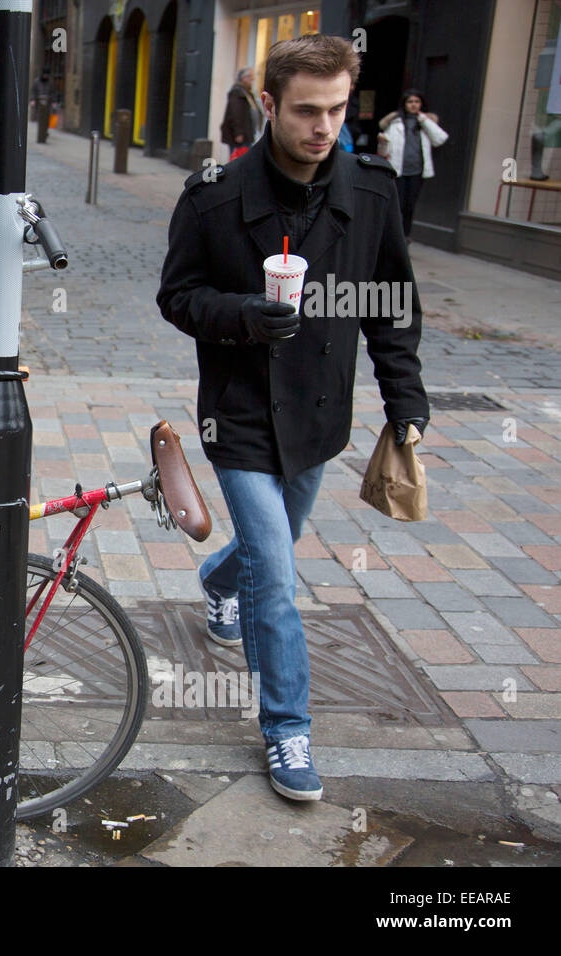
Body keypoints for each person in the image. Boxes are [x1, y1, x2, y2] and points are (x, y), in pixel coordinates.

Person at [157, 34, 429, 802]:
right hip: (238, 415)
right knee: (276, 576)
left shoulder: (371, 192)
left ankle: (216, 581)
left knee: (271, 547)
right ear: (269, 104)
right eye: (307, 110)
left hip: (318, 416)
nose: (324, 127)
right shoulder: (213, 194)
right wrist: (243, 314)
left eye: (338, 109)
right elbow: (176, 297)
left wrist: (405, 402)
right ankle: (287, 729)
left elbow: (391, 309)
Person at [377, 90, 449, 240]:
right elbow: (384, 151)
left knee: (410, 206)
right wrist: (382, 142)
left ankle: (405, 236)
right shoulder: (396, 122)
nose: (413, 105)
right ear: (404, 104)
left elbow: (440, 138)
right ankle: (393, 236)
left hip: (417, 171)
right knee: (398, 206)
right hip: (399, 170)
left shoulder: (425, 122)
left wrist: (425, 120)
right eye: (410, 102)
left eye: (417, 102)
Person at [220, 67, 262, 160]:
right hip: (240, 135)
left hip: (248, 133)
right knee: (238, 160)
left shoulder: (247, 93)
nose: (253, 79)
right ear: (243, 78)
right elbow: (236, 114)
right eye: (250, 76)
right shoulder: (237, 92)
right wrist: (238, 133)